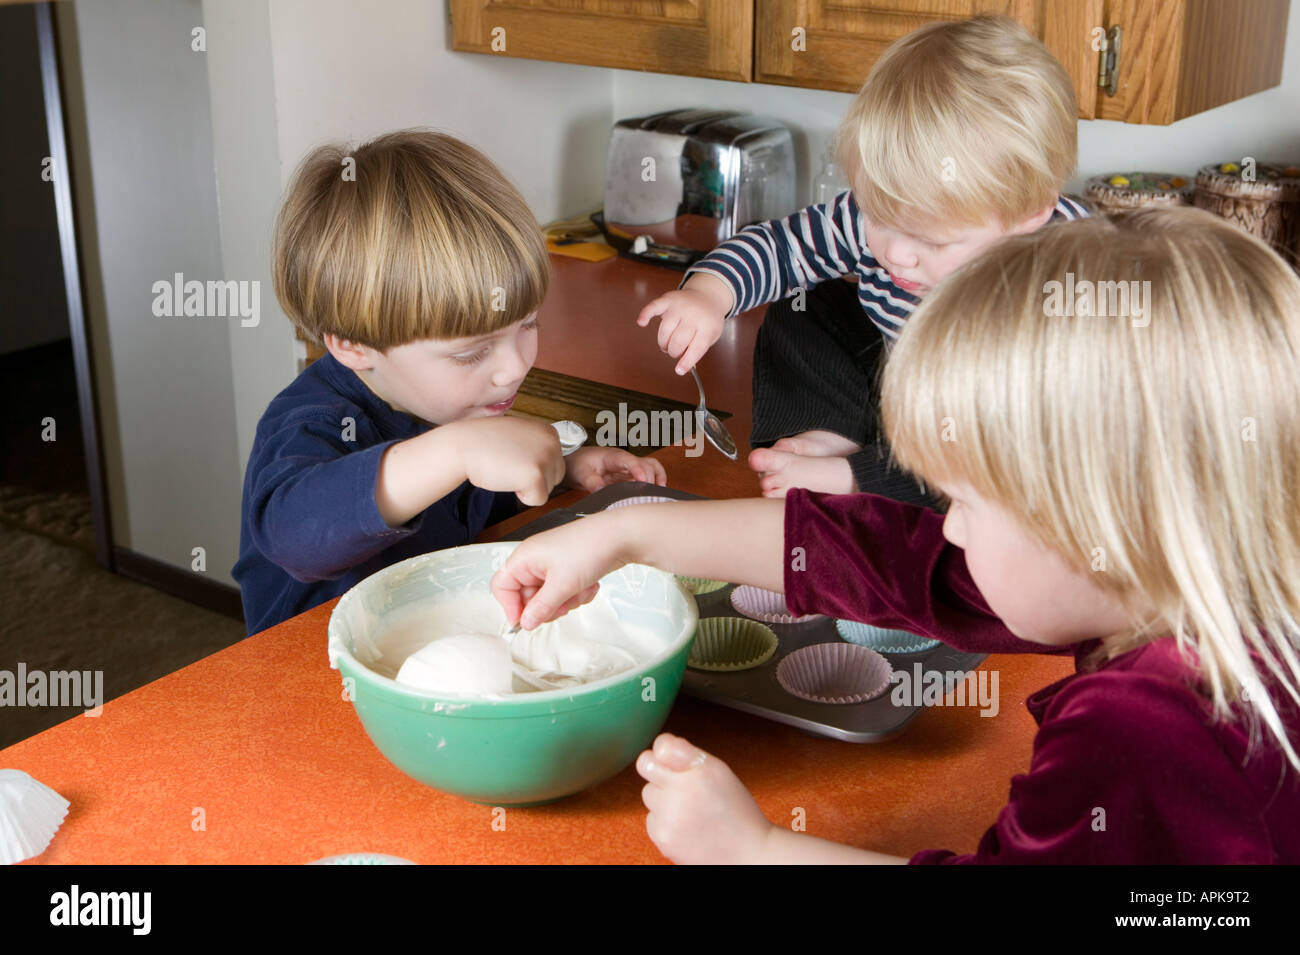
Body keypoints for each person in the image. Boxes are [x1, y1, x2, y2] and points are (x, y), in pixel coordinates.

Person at [493, 208, 1300, 863]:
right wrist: (633, 538)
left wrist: (757, 848)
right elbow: (893, 558)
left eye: (966, 502)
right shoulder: (1195, 586)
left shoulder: (1146, 724)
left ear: (1102, 520)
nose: (944, 524)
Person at [635, 15, 1086, 501]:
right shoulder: (888, 214)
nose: (893, 253)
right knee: (807, 301)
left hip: (992, 432)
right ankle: (831, 432)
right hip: (896, 387)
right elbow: (781, 247)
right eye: (878, 215)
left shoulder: (1069, 271)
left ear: (1029, 217)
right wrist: (710, 293)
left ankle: (857, 476)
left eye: (931, 242)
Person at [233, 130, 663, 634]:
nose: (514, 367)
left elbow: (464, 497)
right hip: (309, 687)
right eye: (472, 353)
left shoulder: (450, 405)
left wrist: (562, 469)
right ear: (353, 345)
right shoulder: (312, 424)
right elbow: (295, 535)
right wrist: (458, 449)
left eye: (528, 327)